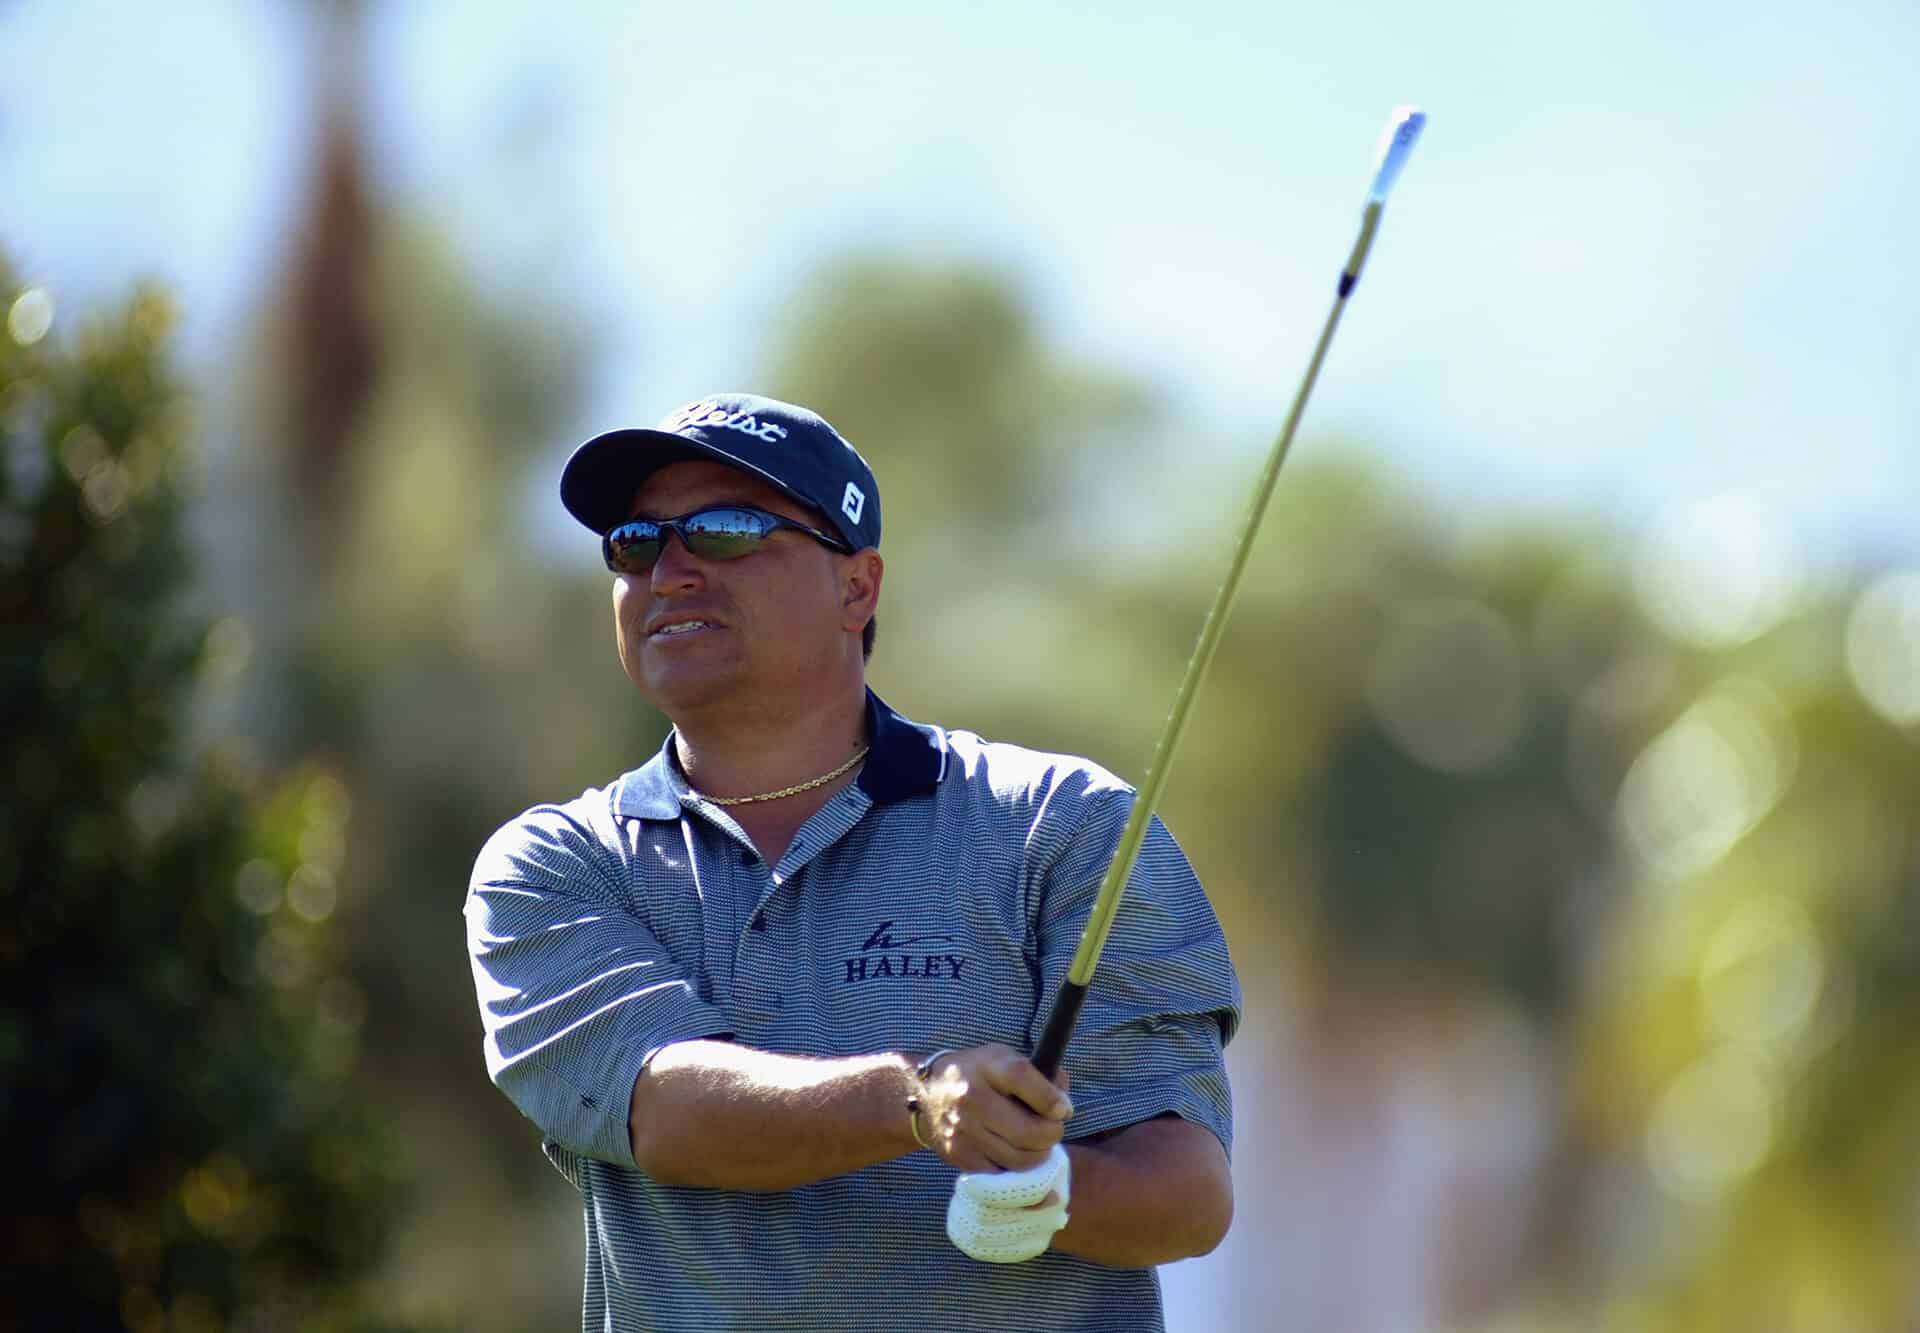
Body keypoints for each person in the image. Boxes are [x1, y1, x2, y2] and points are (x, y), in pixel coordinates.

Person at [466, 393, 1241, 1330]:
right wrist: (917, 1102)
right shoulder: (554, 867)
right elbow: (666, 1108)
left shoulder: (1061, 826)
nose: (667, 570)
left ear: (857, 588)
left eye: (722, 530)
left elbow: (1187, 1188)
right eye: (633, 542)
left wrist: (1046, 1188)